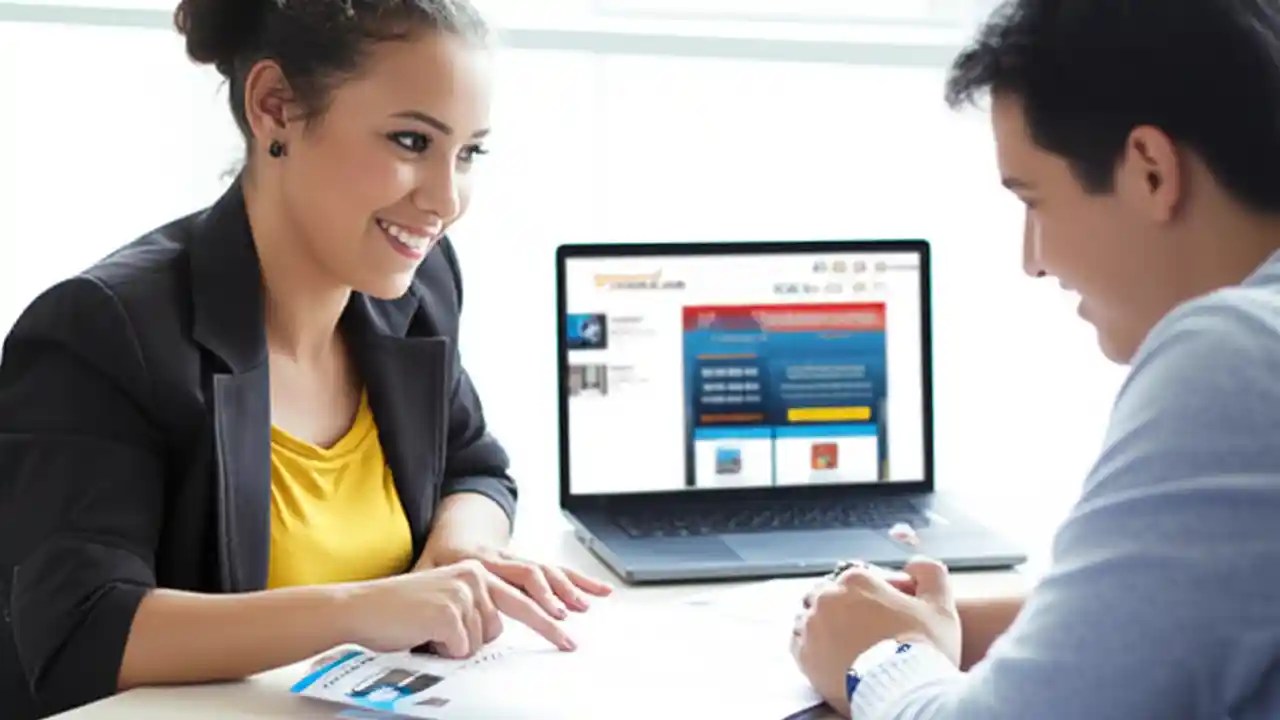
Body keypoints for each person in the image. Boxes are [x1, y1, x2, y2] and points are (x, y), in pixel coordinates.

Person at [0, 1, 611, 717]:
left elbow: (473, 468)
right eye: (411, 141)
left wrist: (460, 548)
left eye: (469, 153)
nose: (447, 200)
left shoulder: (417, 286)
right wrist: (362, 609)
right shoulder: (104, 330)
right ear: (275, 107)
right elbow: (79, 630)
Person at [791, 0, 1280, 717]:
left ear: (1149, 169)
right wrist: (985, 624)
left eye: (1034, 201)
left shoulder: (1238, 356)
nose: (1034, 260)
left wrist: (879, 658)